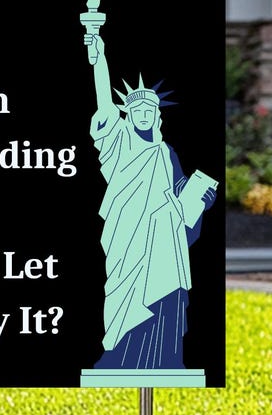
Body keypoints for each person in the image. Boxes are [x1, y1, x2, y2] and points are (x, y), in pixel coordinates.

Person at [83, 28, 215, 369]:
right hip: (128, 233)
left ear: (157, 116)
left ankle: (166, 359)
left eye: (149, 111)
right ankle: (119, 356)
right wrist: (98, 55)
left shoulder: (165, 151)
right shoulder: (118, 143)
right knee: (125, 291)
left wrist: (202, 199)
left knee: (166, 294)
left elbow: (179, 190)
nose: (143, 116)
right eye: (136, 111)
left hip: (165, 237)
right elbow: (102, 99)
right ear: (127, 115)